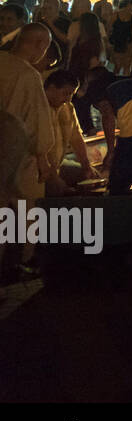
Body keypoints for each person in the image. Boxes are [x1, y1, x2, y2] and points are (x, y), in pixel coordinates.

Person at [0, 25, 58, 280]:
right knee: (26, 206)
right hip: (17, 150)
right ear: (38, 45)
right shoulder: (28, 75)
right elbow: (36, 122)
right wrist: (44, 156)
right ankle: (22, 260)